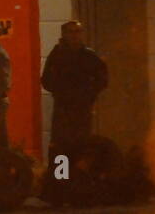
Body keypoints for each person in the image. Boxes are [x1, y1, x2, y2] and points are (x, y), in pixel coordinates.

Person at [40, 20, 108, 154]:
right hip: (63, 107)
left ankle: (78, 172)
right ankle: (62, 174)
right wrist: (60, 91)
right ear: (64, 34)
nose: (74, 35)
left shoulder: (89, 56)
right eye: (70, 32)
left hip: (82, 107)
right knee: (60, 145)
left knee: (81, 143)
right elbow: (46, 79)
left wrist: (88, 94)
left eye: (77, 32)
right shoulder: (57, 55)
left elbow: (102, 79)